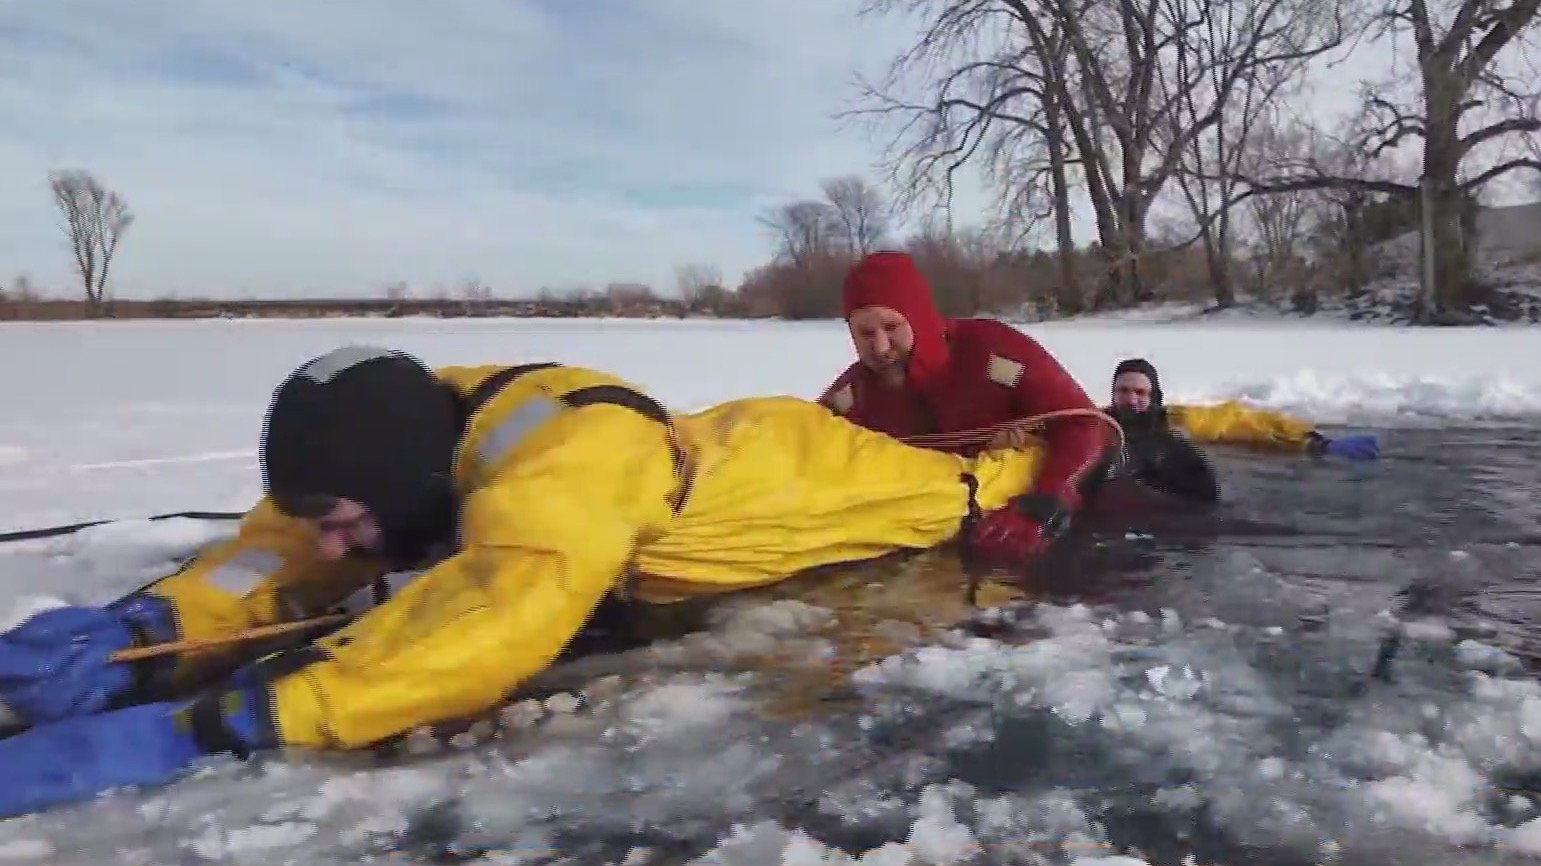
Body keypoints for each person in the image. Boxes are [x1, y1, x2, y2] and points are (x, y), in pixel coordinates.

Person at [0, 346, 1062, 817]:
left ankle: (1100, 444)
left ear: (407, 482)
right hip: (723, 442)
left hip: (814, 484)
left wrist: (226, 721)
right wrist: (155, 619)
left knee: (966, 482)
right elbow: (287, 535)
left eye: (349, 526)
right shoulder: (423, 414)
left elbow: (483, 625)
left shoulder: (557, 483)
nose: (336, 550)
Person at [818, 250, 1109, 567]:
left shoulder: (991, 351)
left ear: (918, 317)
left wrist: (1047, 502)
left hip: (1039, 524)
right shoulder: (853, 395)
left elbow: (1084, 423)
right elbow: (802, 440)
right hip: (926, 544)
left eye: (892, 327)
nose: (881, 347)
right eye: (865, 333)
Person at [1080, 357, 1381, 508]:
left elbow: (1242, 422)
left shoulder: (1178, 422)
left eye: (1140, 392)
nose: (1131, 399)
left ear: (1154, 394)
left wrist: (1314, 442)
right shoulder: (1097, 422)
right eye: (1123, 391)